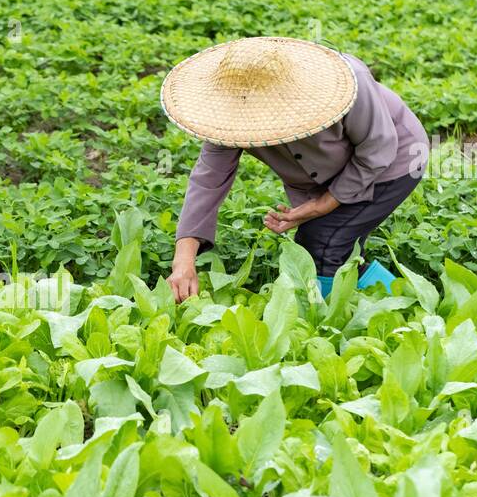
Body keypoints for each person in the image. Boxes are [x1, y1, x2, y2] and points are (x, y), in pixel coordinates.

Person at [160, 36, 429, 303]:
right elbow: (209, 180)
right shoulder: (229, 116)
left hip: (394, 159)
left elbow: (378, 148)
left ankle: (377, 313)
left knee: (323, 242)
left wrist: (323, 205)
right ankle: (397, 301)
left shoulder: (347, 81)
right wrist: (183, 261)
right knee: (334, 241)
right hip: (331, 170)